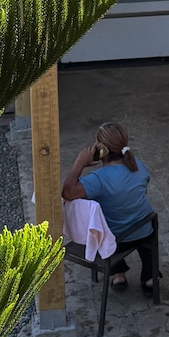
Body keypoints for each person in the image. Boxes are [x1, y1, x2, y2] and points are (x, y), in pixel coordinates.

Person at [61, 122, 156, 291]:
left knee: (98, 229)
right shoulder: (138, 165)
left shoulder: (98, 179)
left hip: (115, 240)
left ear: (101, 148)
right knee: (144, 221)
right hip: (144, 231)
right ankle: (150, 277)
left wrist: (79, 163)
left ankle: (118, 274)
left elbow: (68, 192)